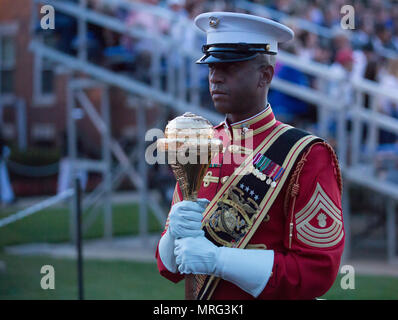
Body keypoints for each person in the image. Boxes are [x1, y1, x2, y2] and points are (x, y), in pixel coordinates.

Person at [156, 12, 344, 300]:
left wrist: (219, 261)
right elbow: (169, 268)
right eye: (211, 67)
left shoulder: (307, 154)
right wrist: (171, 239)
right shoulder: (199, 145)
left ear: (265, 75)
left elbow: (317, 271)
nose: (215, 77)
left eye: (229, 67)